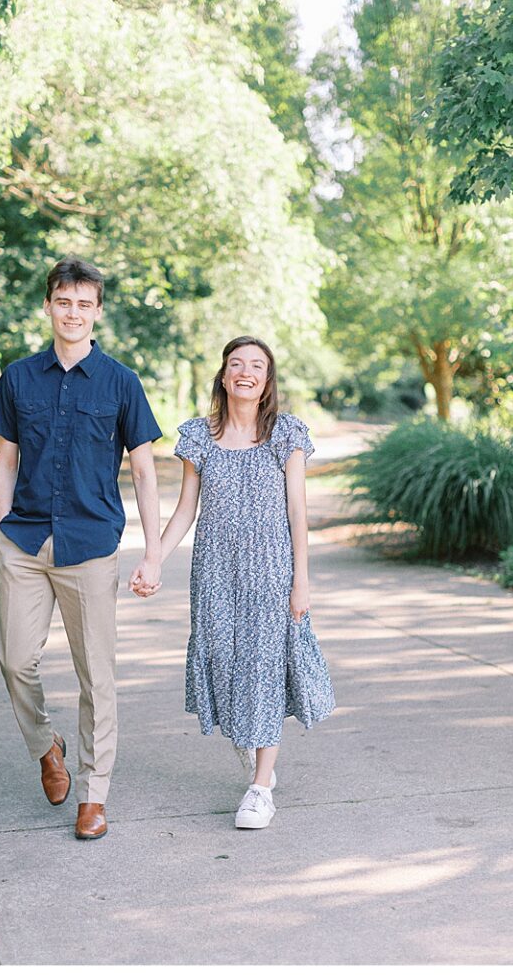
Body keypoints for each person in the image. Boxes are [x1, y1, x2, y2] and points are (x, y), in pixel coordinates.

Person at [0, 256, 164, 841]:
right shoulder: (18, 378)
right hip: (26, 539)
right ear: (48, 307)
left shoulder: (121, 383)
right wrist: (3, 524)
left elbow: (142, 471)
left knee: (97, 676)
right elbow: (5, 457)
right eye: (64, 302)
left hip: (89, 544)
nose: (73, 313)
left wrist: (153, 551)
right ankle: (46, 744)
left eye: (84, 304)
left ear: (98, 312)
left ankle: (94, 793)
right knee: (13, 657)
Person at [133, 335, 335, 829]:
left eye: (257, 366)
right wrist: (154, 557)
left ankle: (261, 788)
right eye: (237, 364)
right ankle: (252, 745)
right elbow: (186, 509)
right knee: (224, 661)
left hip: (271, 571)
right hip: (216, 571)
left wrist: (301, 581)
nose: (246, 372)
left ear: (267, 381)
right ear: (224, 375)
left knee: (265, 667)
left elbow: (297, 513)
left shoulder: (286, 434)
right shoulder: (199, 437)